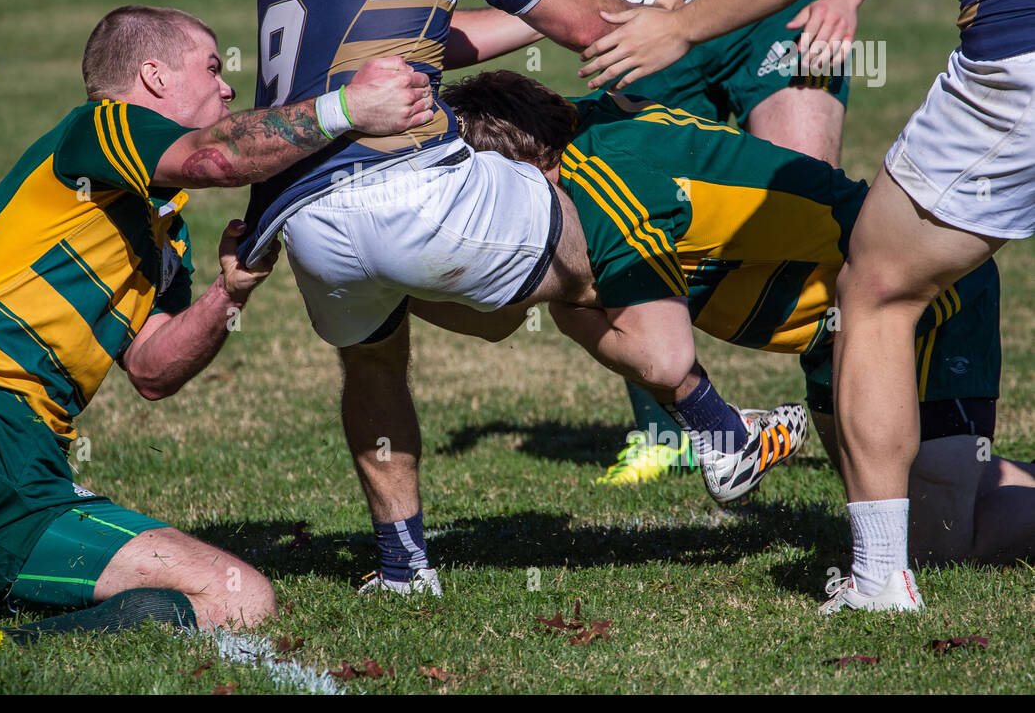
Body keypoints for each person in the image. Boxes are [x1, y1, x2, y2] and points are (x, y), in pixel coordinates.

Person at [577, 0, 1035, 610]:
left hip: (1006, 66)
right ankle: (697, 427)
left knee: (868, 274)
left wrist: (684, 26)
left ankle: (877, 572)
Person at [239, 0, 698, 596]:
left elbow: (412, 42)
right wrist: (681, 20)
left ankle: (403, 567)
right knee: (607, 242)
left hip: (310, 219)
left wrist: (528, 22)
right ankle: (717, 428)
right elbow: (579, 25)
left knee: (373, 360)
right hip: (411, 188)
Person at [0, 5, 432, 644]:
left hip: (32, 477)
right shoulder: (98, 129)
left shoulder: (165, 232)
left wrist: (229, 293)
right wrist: (346, 108)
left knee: (241, 598)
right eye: (212, 68)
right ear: (153, 78)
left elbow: (153, 370)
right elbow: (215, 159)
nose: (228, 87)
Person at [544, 0, 921, 482]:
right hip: (659, 16)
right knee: (620, 200)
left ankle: (840, 415)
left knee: (808, 217)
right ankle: (676, 424)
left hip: (784, 19)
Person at [439, 70, 1035, 569]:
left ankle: (728, 435)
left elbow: (662, 356)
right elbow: (502, 311)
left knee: (941, 542)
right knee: (895, 511)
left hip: (922, 302)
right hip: (837, 334)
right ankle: (732, 435)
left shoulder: (604, 188)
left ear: (529, 170)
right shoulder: (581, 129)